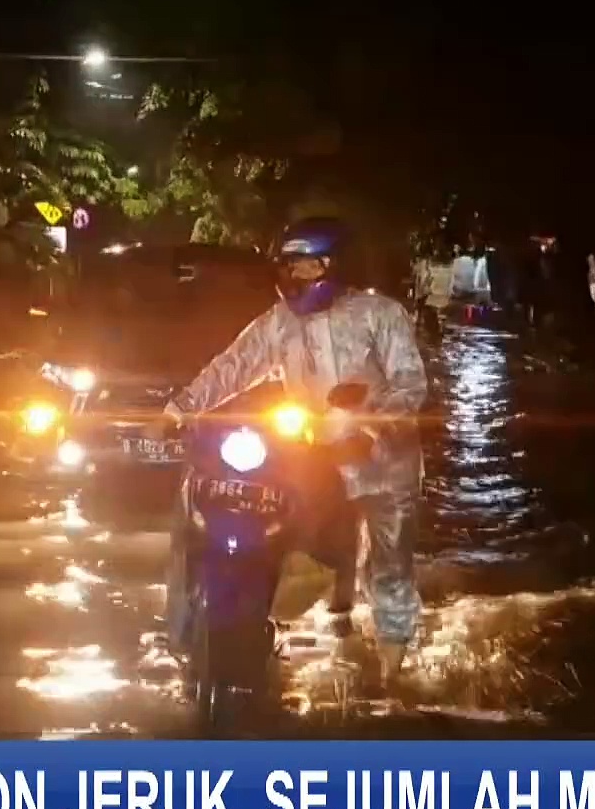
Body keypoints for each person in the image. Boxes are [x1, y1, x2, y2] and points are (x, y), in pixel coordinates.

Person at [153, 217, 430, 687]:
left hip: (386, 465)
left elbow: (410, 384)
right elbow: (233, 367)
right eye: (289, 266)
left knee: (390, 564)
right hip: (313, 461)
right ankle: (299, 629)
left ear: (333, 266)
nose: (294, 276)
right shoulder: (278, 324)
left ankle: (391, 676)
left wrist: (369, 428)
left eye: (306, 266)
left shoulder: (380, 315)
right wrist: (179, 409)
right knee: (301, 548)